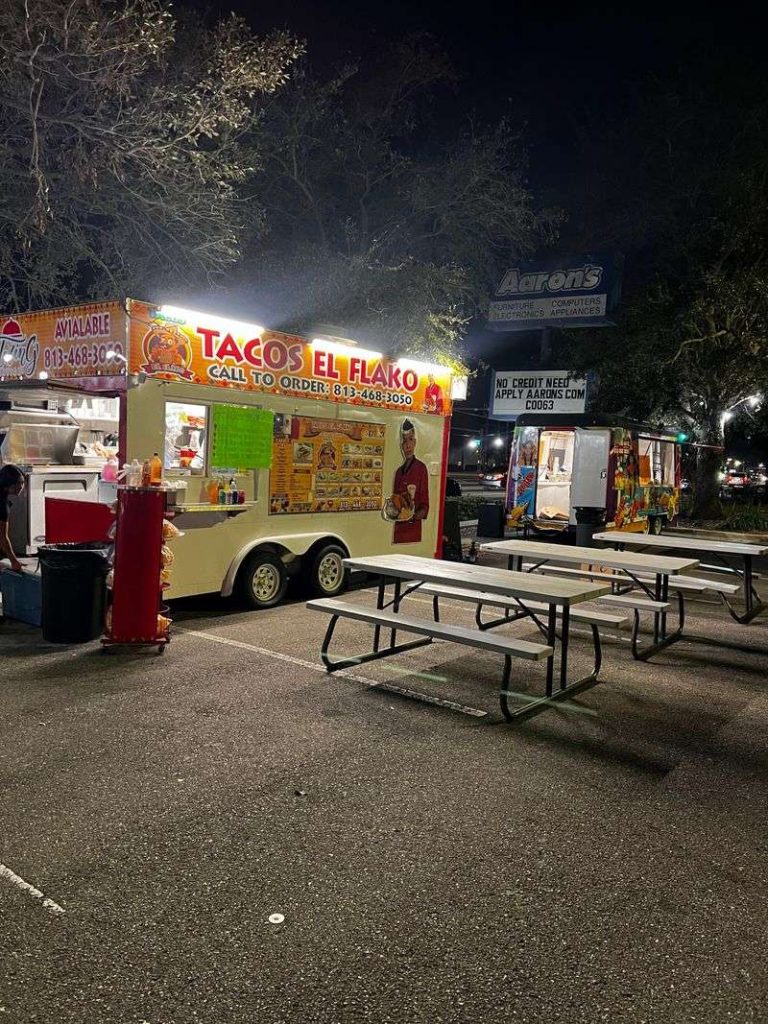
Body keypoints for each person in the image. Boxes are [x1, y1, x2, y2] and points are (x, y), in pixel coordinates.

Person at [392, 419, 429, 544]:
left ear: (415, 443)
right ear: (401, 445)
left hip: (413, 532)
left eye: (411, 440)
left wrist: (412, 516)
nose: (407, 445)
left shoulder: (421, 469)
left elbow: (425, 505)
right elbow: (394, 501)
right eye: (404, 441)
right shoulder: (398, 472)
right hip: (398, 530)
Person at [0, 464, 25, 573]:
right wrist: (14, 561)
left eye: (22, 483)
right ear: (7, 485)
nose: (20, 487)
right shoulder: (2, 505)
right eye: (17, 484)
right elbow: (2, 538)